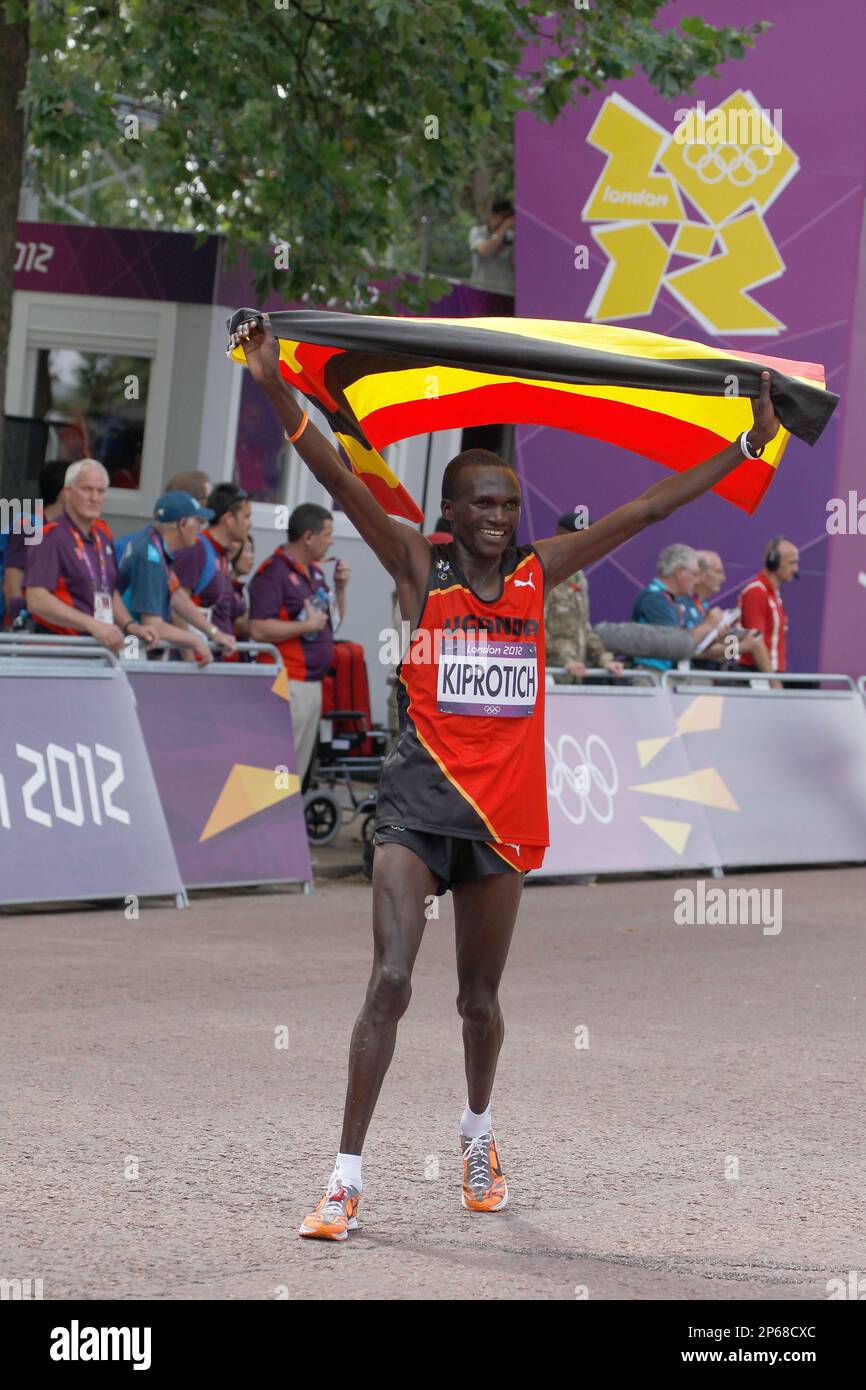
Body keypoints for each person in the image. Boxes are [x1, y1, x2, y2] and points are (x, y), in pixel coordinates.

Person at [232, 311, 780, 1242]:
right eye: (480, 505)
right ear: (449, 512)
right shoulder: (417, 560)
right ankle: (345, 1175)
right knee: (390, 982)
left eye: (507, 507)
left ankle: (478, 1135)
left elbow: (646, 511)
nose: (496, 520)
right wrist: (267, 374)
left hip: (502, 817)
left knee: (478, 999)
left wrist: (748, 441)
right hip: (415, 807)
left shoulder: (539, 571)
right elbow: (329, 468)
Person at [248, 504, 350, 784]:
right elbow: (257, 628)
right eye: (327, 534)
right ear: (308, 536)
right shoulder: (273, 572)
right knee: (274, 771)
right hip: (287, 683)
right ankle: (264, 825)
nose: (331, 541)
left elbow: (333, 622)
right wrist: (303, 627)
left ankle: (285, 824)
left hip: (311, 685)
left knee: (295, 775)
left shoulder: (315, 572)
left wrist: (340, 588)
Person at [24, 460, 157, 654]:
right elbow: (36, 600)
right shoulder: (49, 536)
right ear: (67, 493)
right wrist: (92, 624)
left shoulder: (103, 534)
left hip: (96, 649)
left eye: (101, 491)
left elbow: (108, 591)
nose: (94, 497)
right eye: (87, 489)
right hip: (59, 650)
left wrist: (130, 625)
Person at [117, 491, 236, 662]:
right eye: (198, 521)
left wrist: (214, 632)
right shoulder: (150, 556)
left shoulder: (155, 545)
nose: (201, 528)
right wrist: (194, 641)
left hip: (132, 644)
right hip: (128, 648)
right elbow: (153, 624)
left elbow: (177, 595)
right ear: (182, 524)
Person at [171, 482, 252, 652]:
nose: (249, 524)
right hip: (195, 663)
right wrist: (188, 657)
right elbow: (177, 607)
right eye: (246, 517)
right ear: (229, 519)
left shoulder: (222, 555)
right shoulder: (197, 548)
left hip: (212, 657)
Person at [544, 512, 624, 683]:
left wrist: (605, 659)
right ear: (564, 538)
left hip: (572, 677)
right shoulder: (543, 575)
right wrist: (565, 660)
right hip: (545, 676)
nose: (592, 548)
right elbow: (533, 630)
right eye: (587, 540)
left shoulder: (579, 578)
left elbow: (584, 628)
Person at [631, 543, 729, 672]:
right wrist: (709, 626)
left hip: (668, 674)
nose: (697, 580)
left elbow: (693, 646)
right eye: (695, 574)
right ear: (680, 573)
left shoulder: (668, 599)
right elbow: (679, 646)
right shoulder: (655, 598)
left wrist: (723, 642)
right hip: (653, 673)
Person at [2, 460, 68, 628]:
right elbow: (12, 582)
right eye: (84, 488)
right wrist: (20, 625)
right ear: (64, 493)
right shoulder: (29, 525)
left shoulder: (64, 530)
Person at [738, 536, 798, 675]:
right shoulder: (757, 592)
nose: (796, 569)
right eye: (792, 563)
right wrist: (774, 683)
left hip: (765, 675)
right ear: (773, 562)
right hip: (755, 676)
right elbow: (755, 643)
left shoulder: (773, 595)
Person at [468, 199, 515, 294]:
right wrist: (503, 228)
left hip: (506, 294)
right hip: (481, 291)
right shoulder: (478, 232)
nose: (508, 222)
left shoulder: (512, 236)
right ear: (493, 215)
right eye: (505, 217)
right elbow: (485, 250)